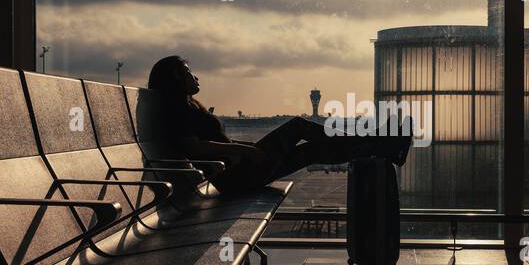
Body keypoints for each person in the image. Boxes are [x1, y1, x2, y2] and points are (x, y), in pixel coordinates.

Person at [145, 56, 411, 195]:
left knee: (313, 151)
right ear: (176, 79)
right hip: (236, 176)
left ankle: (385, 145)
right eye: (189, 72)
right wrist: (245, 151)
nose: (195, 76)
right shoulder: (178, 111)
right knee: (298, 127)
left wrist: (244, 150)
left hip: (238, 171)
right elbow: (194, 147)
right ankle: (384, 143)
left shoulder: (187, 107)